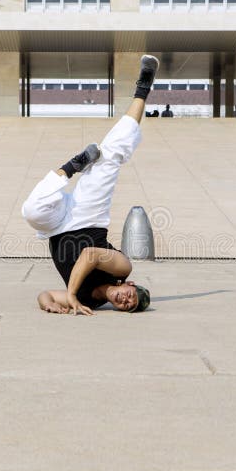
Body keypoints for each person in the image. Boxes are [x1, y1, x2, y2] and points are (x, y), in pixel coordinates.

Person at [22, 55, 159, 315]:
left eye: (128, 307)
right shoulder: (122, 268)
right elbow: (90, 256)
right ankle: (143, 88)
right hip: (88, 215)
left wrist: (50, 304)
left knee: (31, 211)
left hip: (56, 228)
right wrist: (72, 295)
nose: (126, 301)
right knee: (110, 155)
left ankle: (71, 166)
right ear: (130, 284)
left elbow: (47, 294)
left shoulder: (89, 301)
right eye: (131, 296)